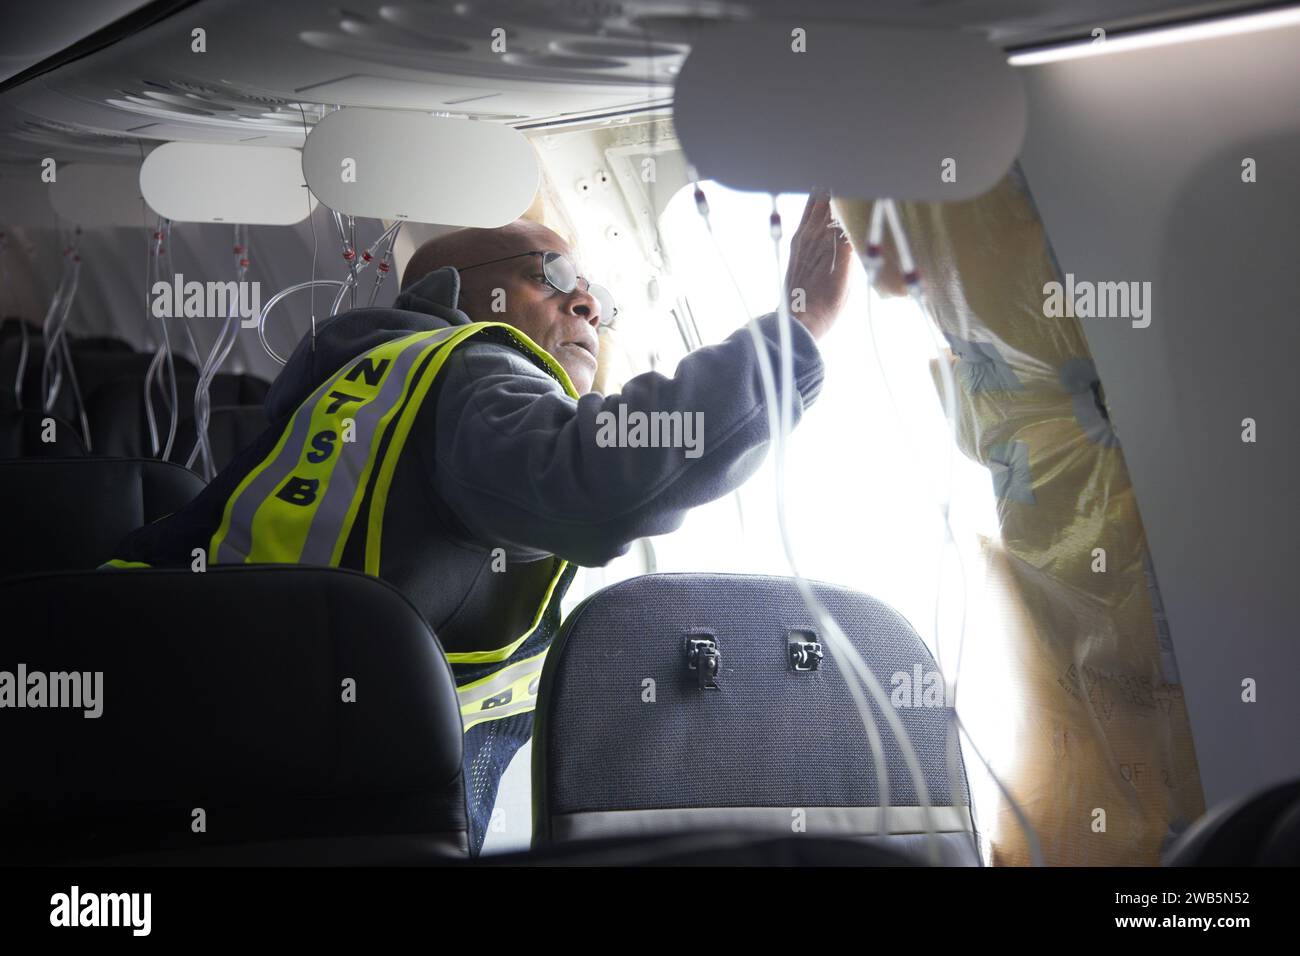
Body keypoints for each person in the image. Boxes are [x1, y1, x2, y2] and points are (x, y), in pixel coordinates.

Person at [107, 192, 854, 853]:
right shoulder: (468, 369)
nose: (588, 305)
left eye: (599, 297)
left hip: (191, 729)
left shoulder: (366, 378)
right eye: (554, 276)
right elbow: (597, 479)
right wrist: (799, 334)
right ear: (450, 293)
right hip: (334, 794)